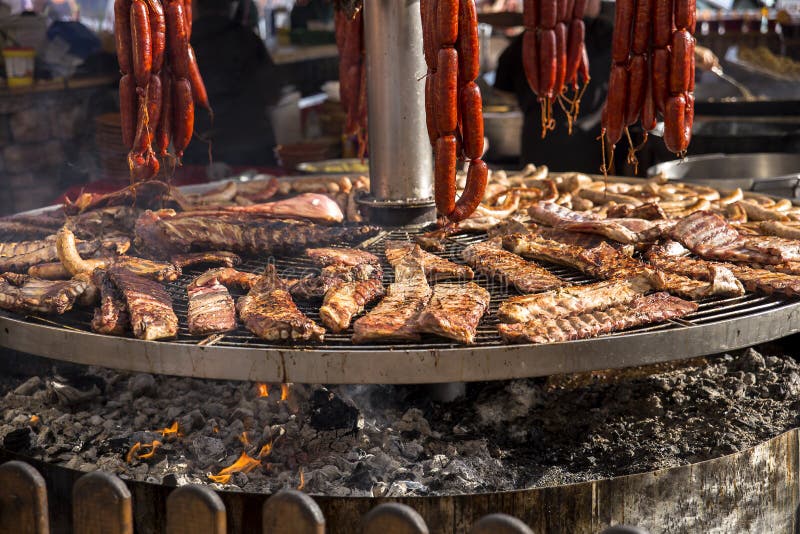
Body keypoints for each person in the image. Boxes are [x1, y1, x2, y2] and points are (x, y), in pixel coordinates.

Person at [494, 0, 719, 174]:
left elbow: (504, 94)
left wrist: (687, 50)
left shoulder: (525, 41)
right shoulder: (600, 32)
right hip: (572, 156)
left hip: (559, 153)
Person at [183, 0, 282, 166]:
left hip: (203, 151)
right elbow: (274, 93)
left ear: (193, 7)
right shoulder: (247, 38)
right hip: (254, 148)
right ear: (232, 6)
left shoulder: (184, 44)